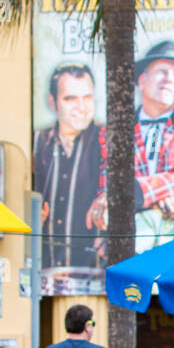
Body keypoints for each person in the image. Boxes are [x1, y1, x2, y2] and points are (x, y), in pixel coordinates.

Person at [90, 40, 174, 242]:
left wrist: (129, 192)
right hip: (132, 238)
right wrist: (161, 197)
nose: (169, 80)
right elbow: (106, 189)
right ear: (141, 81)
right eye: (162, 72)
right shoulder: (113, 132)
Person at [33, 63, 103, 272]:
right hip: (44, 272)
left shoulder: (107, 139)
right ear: (52, 101)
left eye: (87, 98)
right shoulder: (37, 141)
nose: (81, 107)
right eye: (70, 99)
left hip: (93, 274)